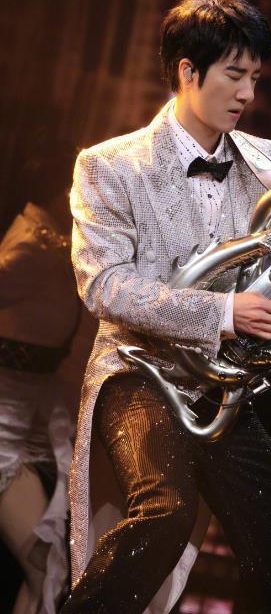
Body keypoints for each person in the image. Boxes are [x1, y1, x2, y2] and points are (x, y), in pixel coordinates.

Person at [62, 0, 271, 614]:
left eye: (256, 78)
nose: (248, 93)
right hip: (137, 373)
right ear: (188, 70)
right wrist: (222, 313)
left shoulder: (268, 162)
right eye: (235, 74)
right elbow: (104, 286)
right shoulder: (110, 166)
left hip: (224, 388)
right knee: (166, 510)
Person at [0, 142, 80, 614]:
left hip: (26, 426)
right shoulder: (34, 244)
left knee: (49, 569)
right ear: (63, 192)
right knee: (47, 567)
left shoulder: (51, 240)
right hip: (4, 434)